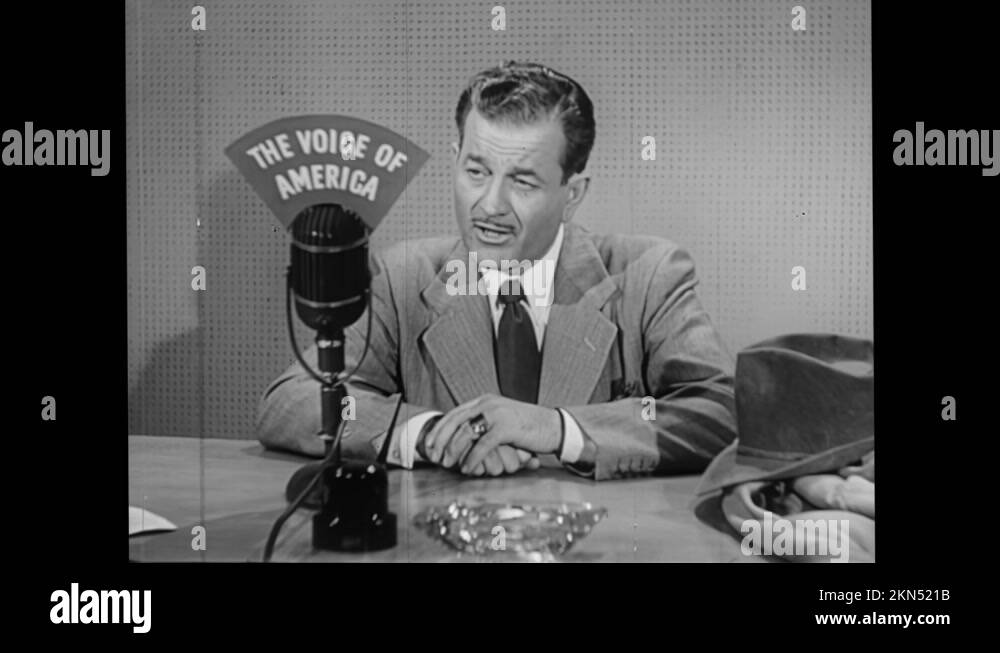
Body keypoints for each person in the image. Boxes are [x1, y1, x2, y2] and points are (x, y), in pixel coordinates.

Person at [256, 61, 737, 480]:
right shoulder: (401, 275)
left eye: (522, 181)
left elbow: (723, 413)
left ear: (572, 194)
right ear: (455, 160)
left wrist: (555, 428)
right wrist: (424, 433)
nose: (489, 206)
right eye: (476, 171)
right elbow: (294, 402)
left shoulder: (649, 276)